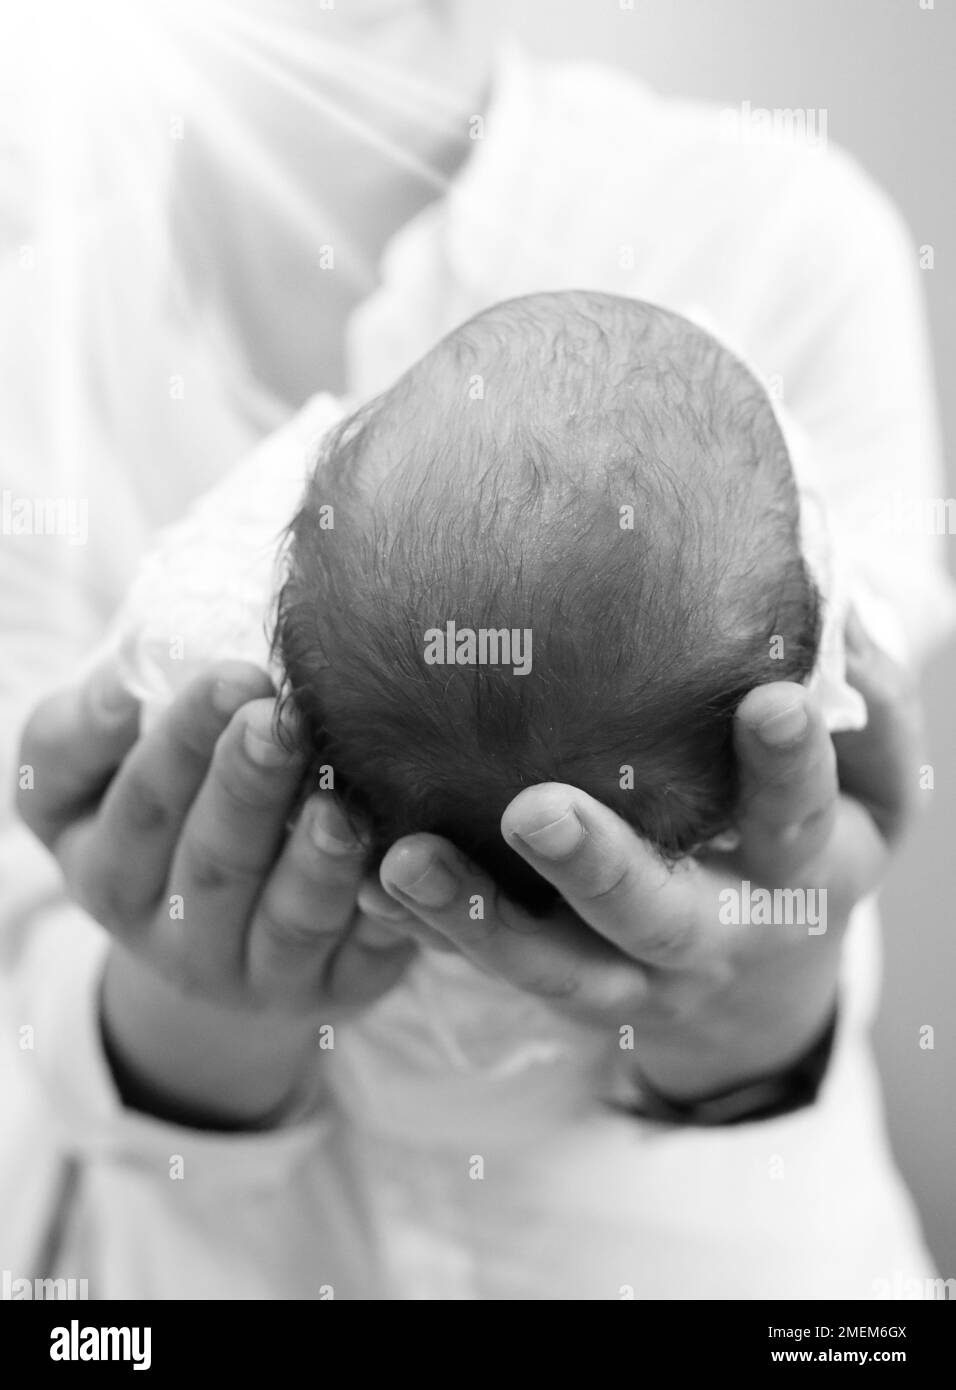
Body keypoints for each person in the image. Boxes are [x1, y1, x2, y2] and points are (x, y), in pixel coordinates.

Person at [2, 3, 952, 1297]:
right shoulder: (30, 337)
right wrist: (195, 1016)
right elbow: (31, 980)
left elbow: (803, 771)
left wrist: (752, 1003)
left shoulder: (781, 226)